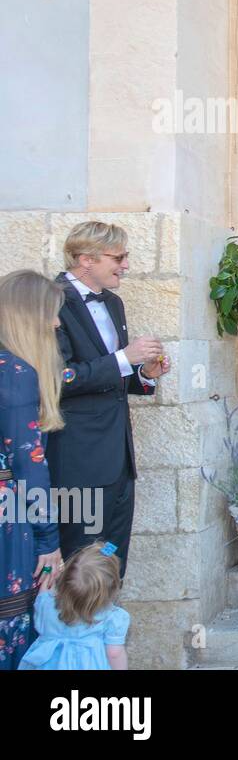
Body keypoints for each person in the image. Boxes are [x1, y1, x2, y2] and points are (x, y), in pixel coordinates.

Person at [46, 222, 170, 577]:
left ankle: (106, 629)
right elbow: (58, 378)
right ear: (86, 259)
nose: (126, 265)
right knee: (80, 563)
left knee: (113, 556)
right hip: (78, 460)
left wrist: (145, 374)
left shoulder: (113, 303)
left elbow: (110, 379)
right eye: (118, 257)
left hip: (118, 458)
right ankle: (74, 630)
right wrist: (123, 358)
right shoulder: (52, 301)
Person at [0, 271, 67, 670]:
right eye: (51, 315)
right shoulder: (17, 373)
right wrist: (48, 541)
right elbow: (29, 463)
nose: (57, 324)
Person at [19, 541, 130, 670]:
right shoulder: (114, 617)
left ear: (65, 577)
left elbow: (41, 615)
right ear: (111, 590)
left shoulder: (46, 603)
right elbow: (114, 653)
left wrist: (47, 582)